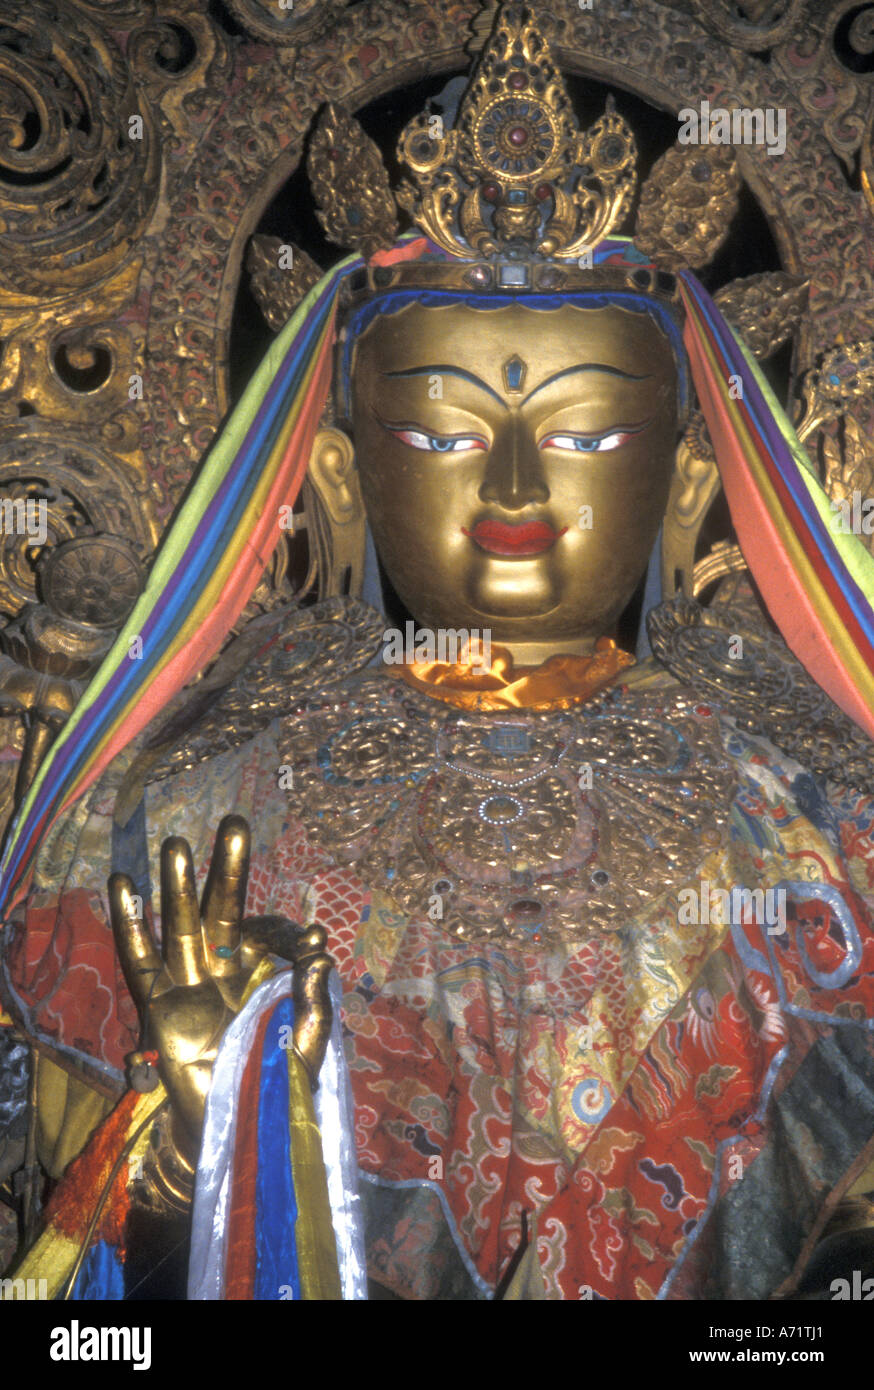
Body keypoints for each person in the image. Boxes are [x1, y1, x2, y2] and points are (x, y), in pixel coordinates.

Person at [4, 3, 874, 1300]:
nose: (514, 487)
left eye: (580, 433)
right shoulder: (172, 817)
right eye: (439, 433)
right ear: (340, 478)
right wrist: (199, 1159)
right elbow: (69, 1286)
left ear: (691, 475)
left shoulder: (827, 821)